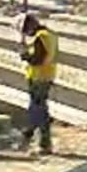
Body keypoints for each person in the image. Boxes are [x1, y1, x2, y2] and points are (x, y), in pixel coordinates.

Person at [18, 12, 59, 155]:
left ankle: (35, 139)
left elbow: (38, 59)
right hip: (47, 75)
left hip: (39, 77)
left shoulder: (40, 38)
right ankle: (41, 141)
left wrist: (25, 56)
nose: (27, 33)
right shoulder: (50, 35)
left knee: (38, 110)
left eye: (25, 30)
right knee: (40, 109)